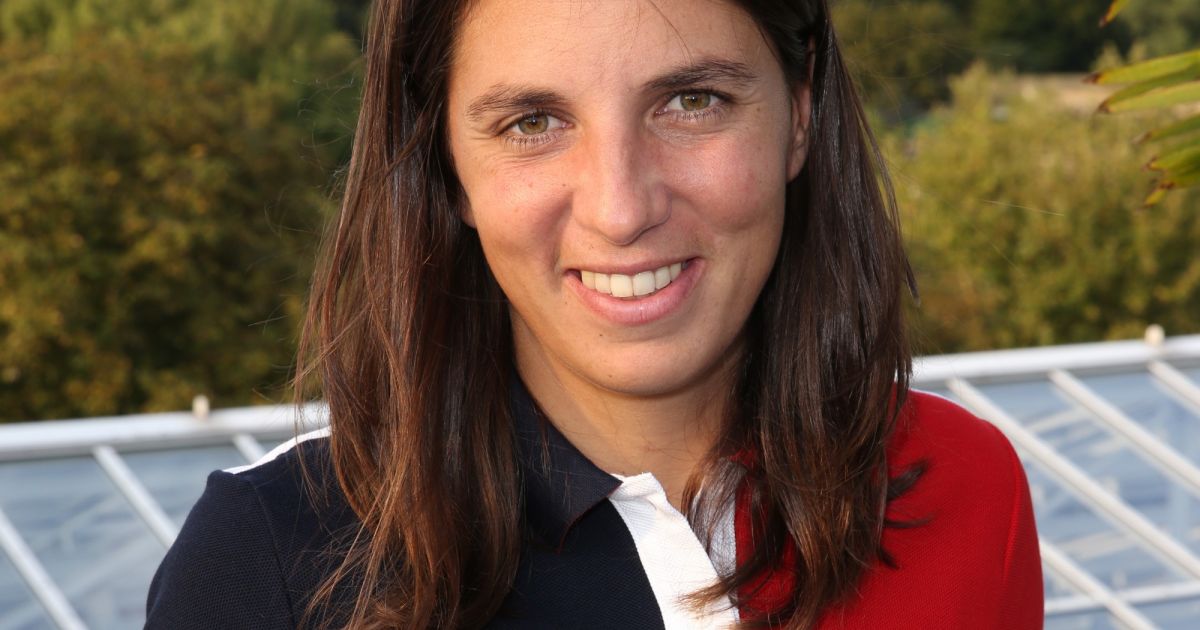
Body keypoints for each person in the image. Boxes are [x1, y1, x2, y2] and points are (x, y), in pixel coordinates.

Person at [145, 0, 1043, 628]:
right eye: (533, 121)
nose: (620, 208)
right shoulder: (274, 567)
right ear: (444, 162)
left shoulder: (961, 487)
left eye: (693, 101)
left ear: (800, 112)